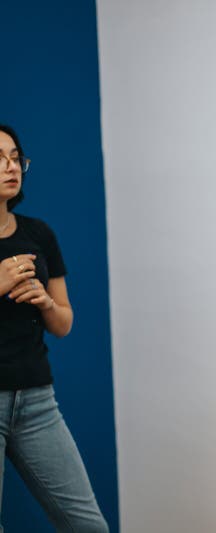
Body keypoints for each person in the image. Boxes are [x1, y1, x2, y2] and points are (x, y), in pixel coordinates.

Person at [0, 124, 108, 532]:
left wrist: (46, 302)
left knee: (88, 526)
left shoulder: (38, 234)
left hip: (36, 401)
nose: (11, 167)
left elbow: (63, 323)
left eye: (15, 158)